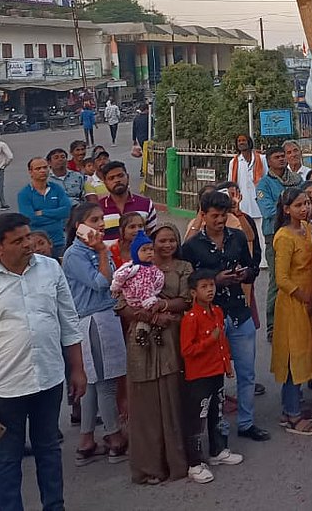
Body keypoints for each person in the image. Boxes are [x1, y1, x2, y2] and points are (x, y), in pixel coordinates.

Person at [0, 212, 86, 511]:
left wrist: (78, 369)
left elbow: (68, 320)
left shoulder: (50, 269)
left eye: (28, 236)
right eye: (18, 240)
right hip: (6, 389)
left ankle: (54, 506)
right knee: (8, 457)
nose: (28, 244)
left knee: (49, 450)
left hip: (49, 378)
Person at [180, 189, 271, 442]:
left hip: (239, 312)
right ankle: (216, 428)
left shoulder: (238, 237)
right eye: (215, 216)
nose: (220, 221)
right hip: (210, 318)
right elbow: (188, 281)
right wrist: (215, 280)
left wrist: (244, 274)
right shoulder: (192, 246)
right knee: (213, 377)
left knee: (246, 372)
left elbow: (253, 266)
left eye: (223, 215)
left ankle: (246, 422)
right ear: (204, 215)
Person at [121, 222, 192, 485]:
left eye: (172, 240)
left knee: (173, 398)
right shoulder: (131, 270)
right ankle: (149, 467)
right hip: (141, 341)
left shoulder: (184, 268)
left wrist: (161, 305)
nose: (167, 245)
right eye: (161, 241)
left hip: (172, 337)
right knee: (145, 402)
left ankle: (175, 463)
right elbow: (120, 302)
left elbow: (186, 299)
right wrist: (150, 317)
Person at [59, 201, 128, 465]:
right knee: (106, 384)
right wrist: (101, 253)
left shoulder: (93, 250)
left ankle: (86, 441)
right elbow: (102, 283)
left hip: (103, 319)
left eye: (101, 219)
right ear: (80, 226)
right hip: (93, 321)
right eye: (95, 220)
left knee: (94, 384)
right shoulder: (77, 254)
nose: (101, 224)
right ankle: (114, 438)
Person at [180, 269, 243, 484]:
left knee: (217, 413)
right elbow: (187, 350)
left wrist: (227, 365)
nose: (209, 290)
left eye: (211, 286)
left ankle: (218, 451)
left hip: (217, 371)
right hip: (199, 376)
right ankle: (194, 463)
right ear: (193, 292)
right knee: (197, 420)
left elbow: (222, 341)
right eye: (204, 287)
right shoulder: (190, 318)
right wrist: (209, 340)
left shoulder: (217, 311)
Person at [270, 186, 312, 435]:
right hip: (293, 303)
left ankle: (292, 406)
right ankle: (292, 415)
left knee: (306, 352)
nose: (305, 208)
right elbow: (281, 278)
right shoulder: (284, 236)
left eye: (306, 204)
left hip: (308, 301)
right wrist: (304, 296)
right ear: (286, 209)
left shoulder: (307, 229)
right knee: (294, 356)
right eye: (299, 205)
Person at [255, 143, 304, 335]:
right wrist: (291, 208)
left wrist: (291, 208)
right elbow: (268, 211)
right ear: (269, 161)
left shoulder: (297, 179)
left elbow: (304, 205)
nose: (282, 159)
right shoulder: (264, 184)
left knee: (301, 276)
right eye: (277, 157)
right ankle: (272, 325)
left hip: (299, 233)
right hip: (275, 236)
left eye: (283, 156)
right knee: (278, 280)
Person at [16, 156, 73, 258]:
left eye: (45, 167)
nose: (42, 171)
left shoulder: (57, 189)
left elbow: (67, 211)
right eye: (38, 169)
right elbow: (30, 219)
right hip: (36, 246)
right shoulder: (24, 194)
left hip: (58, 242)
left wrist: (42, 212)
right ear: (30, 172)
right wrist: (56, 216)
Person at [98, 160, 157, 243]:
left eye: (120, 176)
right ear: (105, 183)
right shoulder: (97, 209)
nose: (117, 180)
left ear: (128, 177)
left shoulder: (146, 205)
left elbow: (152, 236)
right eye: (111, 178)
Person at [228, 135, 267, 256]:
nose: (241, 143)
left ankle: (264, 260)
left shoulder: (261, 159)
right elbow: (231, 183)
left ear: (249, 142)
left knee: (262, 234)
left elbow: (266, 178)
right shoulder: (234, 162)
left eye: (244, 140)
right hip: (243, 203)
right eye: (239, 141)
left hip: (260, 202)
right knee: (246, 233)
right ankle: (249, 257)